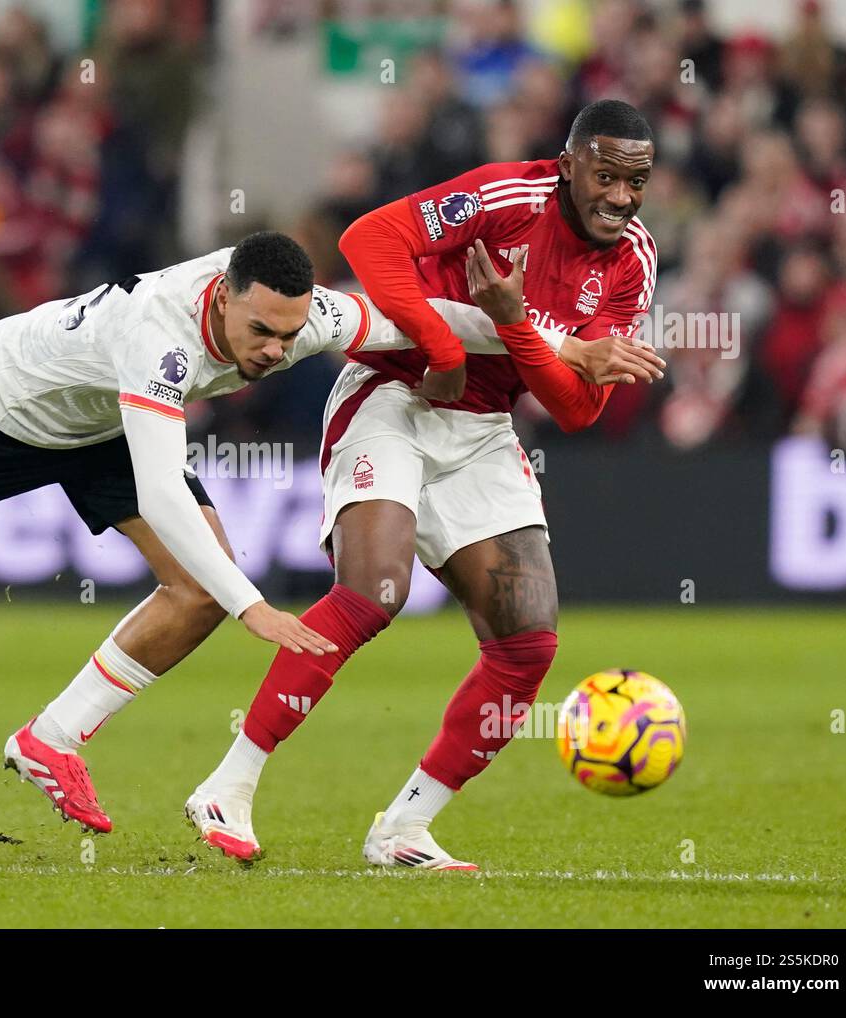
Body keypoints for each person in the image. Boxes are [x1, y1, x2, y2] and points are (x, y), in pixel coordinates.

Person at [0, 230, 653, 835]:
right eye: (261, 334)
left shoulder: (298, 313)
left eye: (289, 337)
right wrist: (257, 611)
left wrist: (562, 345)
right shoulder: (161, 336)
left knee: (191, 588)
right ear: (222, 299)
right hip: (8, 407)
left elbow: (417, 321)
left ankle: (50, 739)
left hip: (104, 424)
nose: (276, 352)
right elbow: (162, 496)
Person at [188, 101, 663, 869]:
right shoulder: (509, 198)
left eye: (635, 181)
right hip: (392, 394)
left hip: (480, 428)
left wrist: (512, 323)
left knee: (527, 645)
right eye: (605, 176)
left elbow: (577, 409)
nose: (619, 197)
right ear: (570, 164)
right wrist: (443, 344)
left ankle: (404, 828)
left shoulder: (634, 260)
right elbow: (367, 238)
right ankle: (228, 786)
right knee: (375, 590)